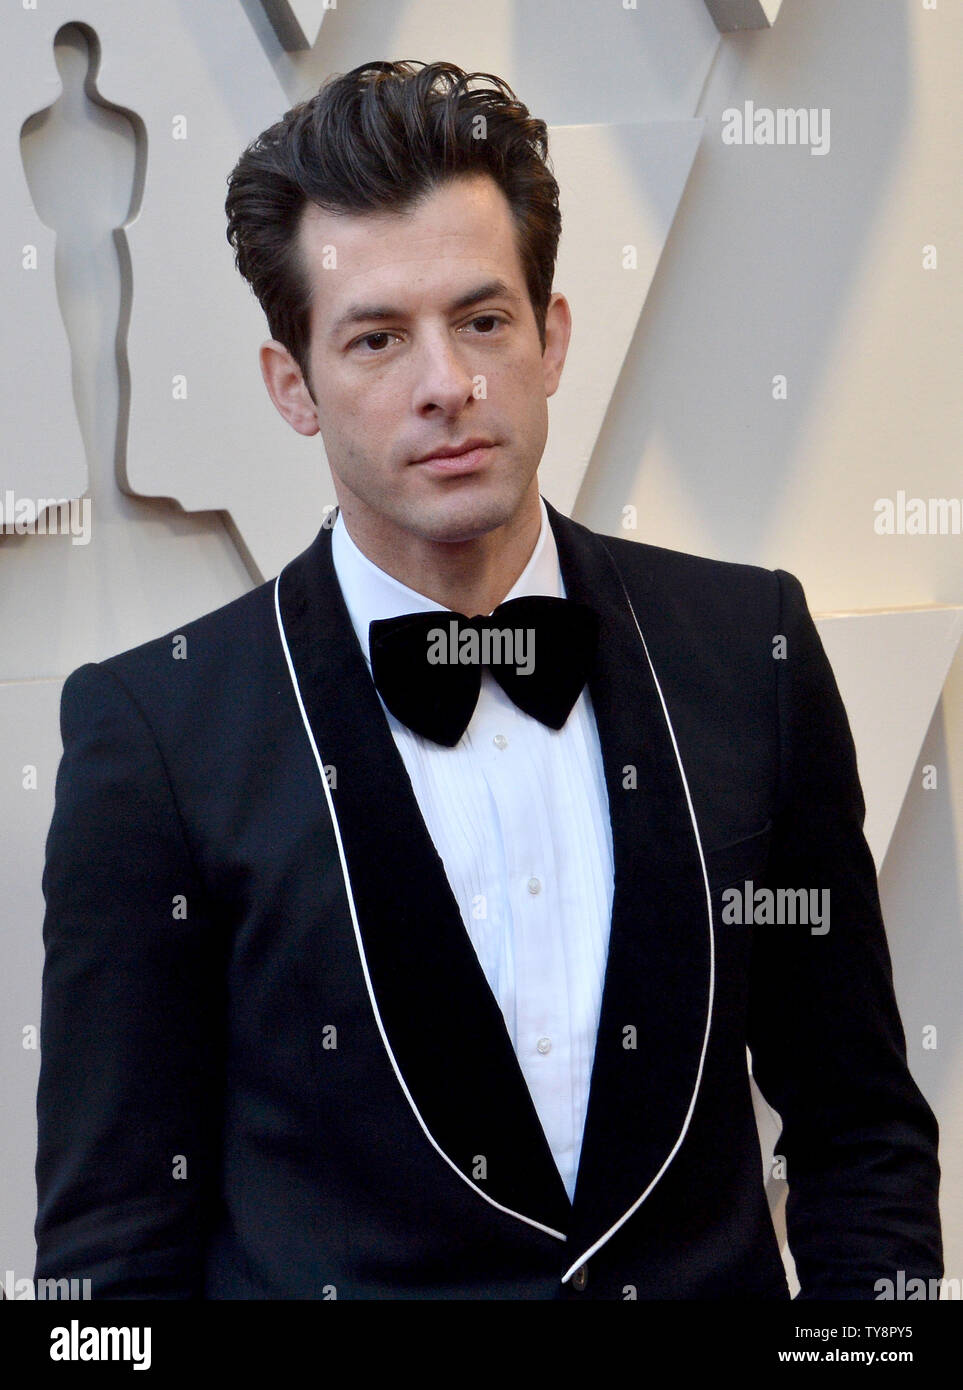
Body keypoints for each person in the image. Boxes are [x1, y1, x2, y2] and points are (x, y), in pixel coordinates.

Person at [34, 59, 942, 1300]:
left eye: (482, 320)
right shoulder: (156, 733)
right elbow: (112, 1253)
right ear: (291, 385)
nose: (445, 385)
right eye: (375, 338)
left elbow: (860, 1131)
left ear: (551, 336)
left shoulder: (752, 650)